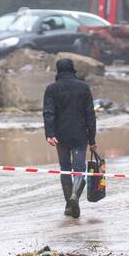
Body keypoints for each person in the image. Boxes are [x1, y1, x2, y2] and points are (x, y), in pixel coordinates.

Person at [42, 57, 98, 219]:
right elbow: (90, 115)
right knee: (79, 169)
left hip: (61, 136)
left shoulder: (51, 89)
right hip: (80, 136)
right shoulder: (83, 87)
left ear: (58, 70)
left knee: (65, 168)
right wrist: (92, 140)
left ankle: (69, 204)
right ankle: (74, 197)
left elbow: (48, 113)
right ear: (73, 69)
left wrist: (50, 134)